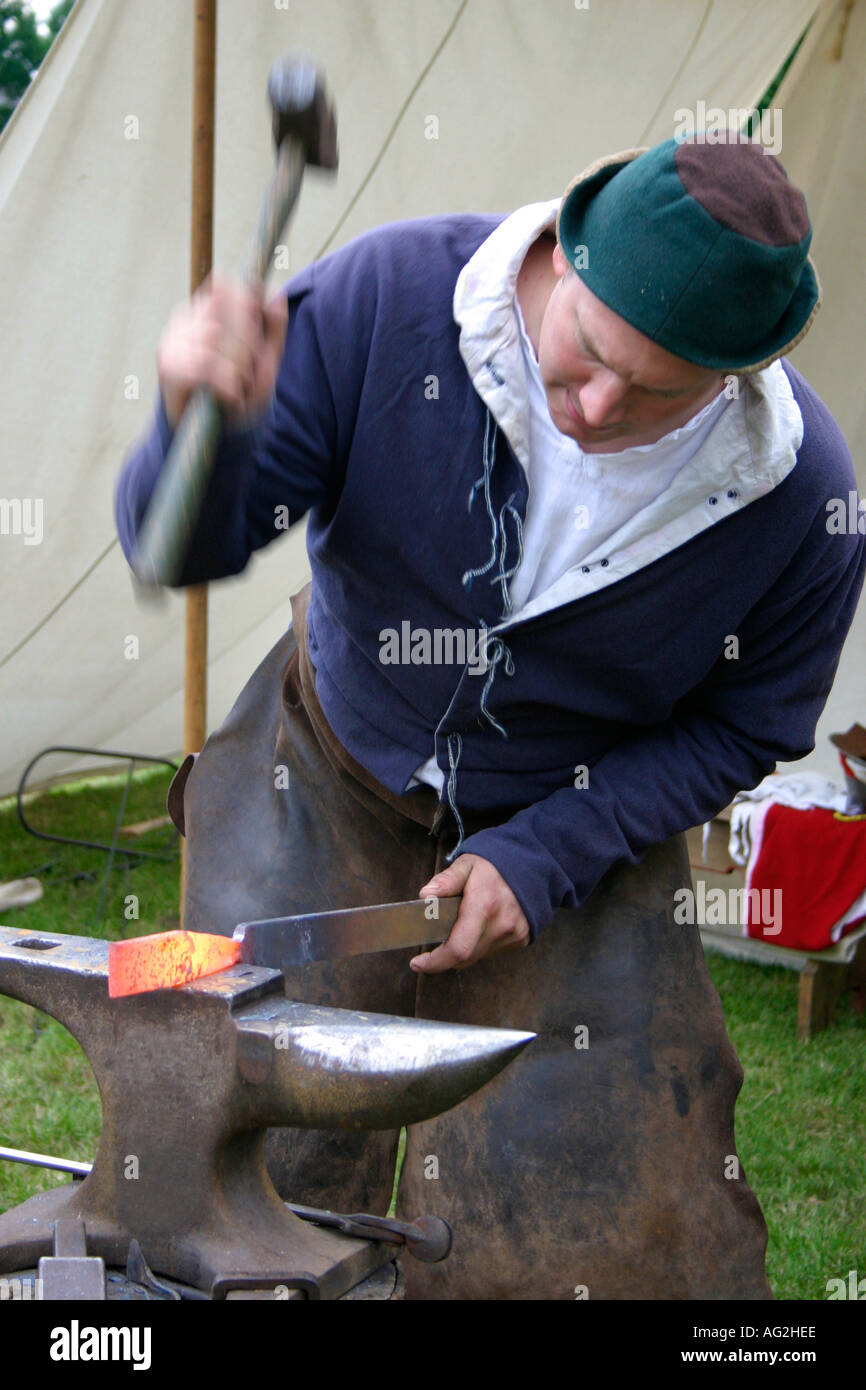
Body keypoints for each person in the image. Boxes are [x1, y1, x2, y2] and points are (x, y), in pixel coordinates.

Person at [115, 134, 865, 1300]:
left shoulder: (800, 499)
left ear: (742, 373)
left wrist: (547, 852)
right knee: (250, 1138)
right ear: (565, 254)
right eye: (585, 353)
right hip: (322, 768)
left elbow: (743, 727)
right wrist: (195, 429)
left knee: (606, 1225)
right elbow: (183, 542)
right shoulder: (390, 301)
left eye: (657, 390)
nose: (598, 406)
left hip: (575, 820)